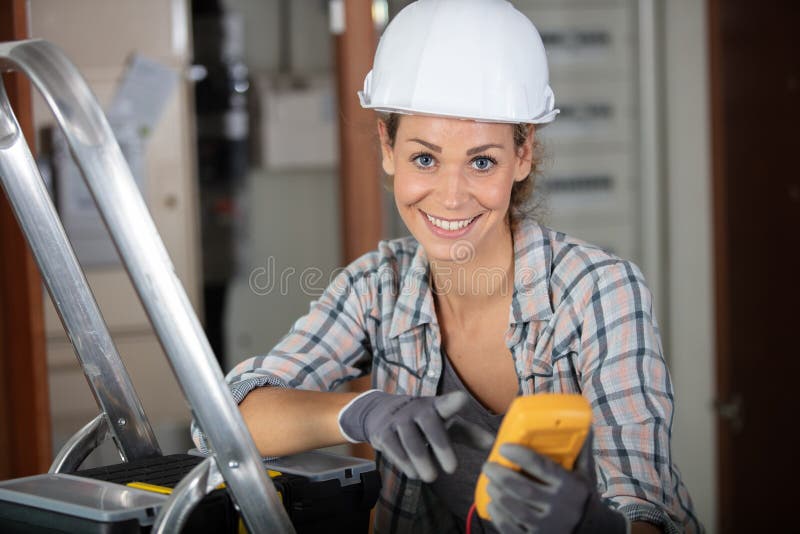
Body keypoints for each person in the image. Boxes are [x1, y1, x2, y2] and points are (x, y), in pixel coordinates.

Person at [193, 0, 701, 532]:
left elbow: (647, 508)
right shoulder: (376, 287)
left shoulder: (600, 294)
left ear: (522, 155)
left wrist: (596, 527)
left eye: (482, 161)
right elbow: (220, 423)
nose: (451, 196)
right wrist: (357, 411)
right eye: (425, 158)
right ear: (388, 149)